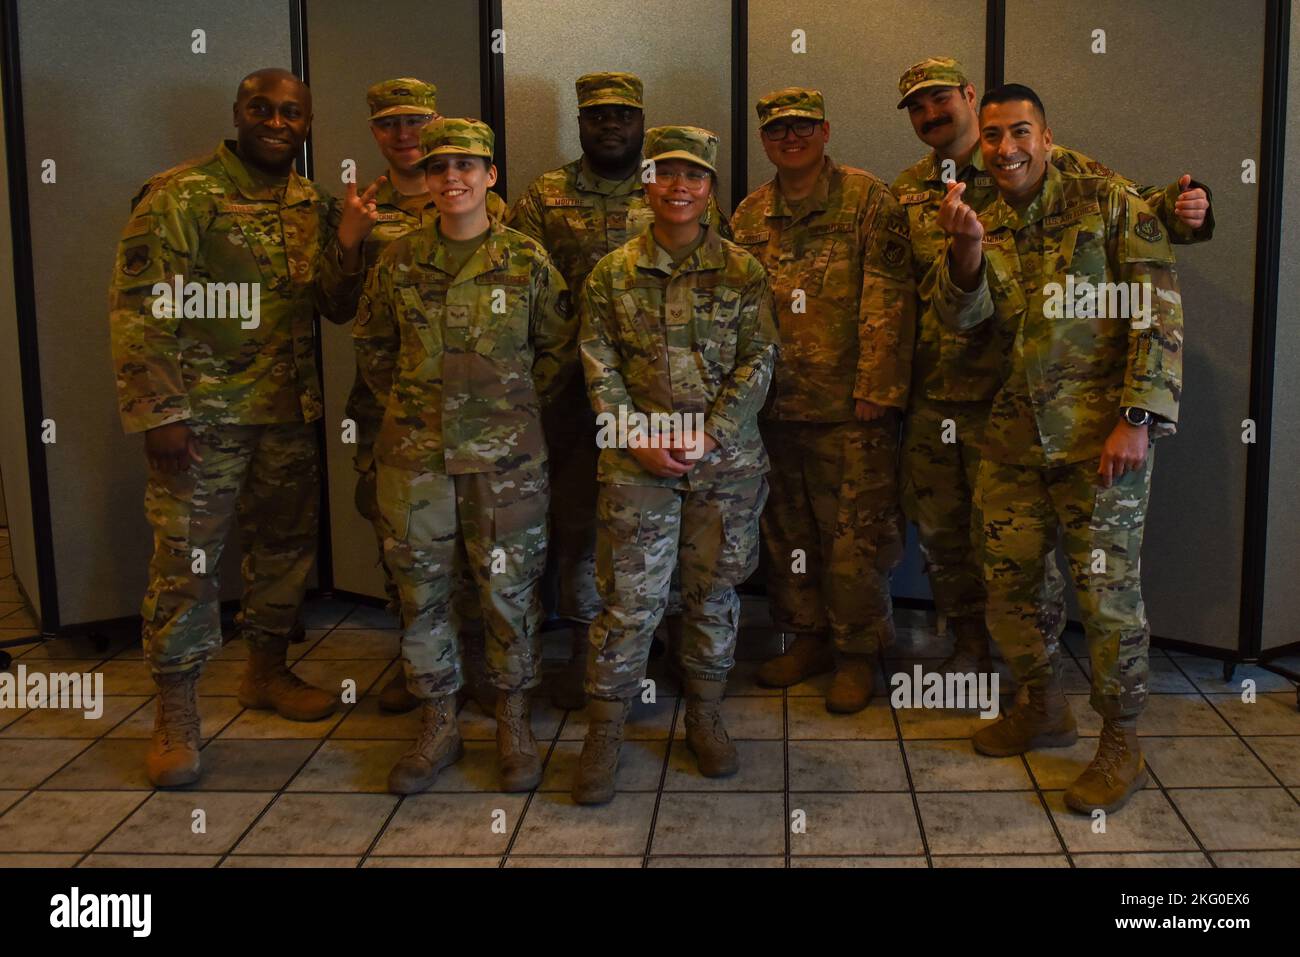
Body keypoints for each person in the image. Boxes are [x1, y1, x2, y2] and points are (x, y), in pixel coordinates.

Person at [891, 57, 1212, 678]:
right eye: (917, 106)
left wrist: (1138, 416)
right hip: (977, 409)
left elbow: (1147, 253)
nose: (931, 113)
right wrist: (964, 247)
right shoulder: (924, 192)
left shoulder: (1078, 183)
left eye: (941, 98)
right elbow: (944, 304)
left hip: (1073, 419)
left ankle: (1104, 719)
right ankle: (1021, 690)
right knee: (985, 561)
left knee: (1097, 588)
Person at [109, 68, 371, 787]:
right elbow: (142, 309)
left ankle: (266, 672)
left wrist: (349, 244)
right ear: (237, 113)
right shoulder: (182, 194)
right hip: (202, 420)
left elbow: (335, 307)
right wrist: (160, 413)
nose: (277, 122)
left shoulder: (313, 204)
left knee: (283, 552)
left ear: (308, 124)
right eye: (262, 108)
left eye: (292, 112)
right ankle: (176, 710)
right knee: (187, 564)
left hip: (287, 415)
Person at [933, 84, 1184, 814]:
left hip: (1098, 439)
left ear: (1045, 136)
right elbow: (961, 319)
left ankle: (1122, 740)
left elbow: (1158, 313)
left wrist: (1136, 418)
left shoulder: (1108, 200)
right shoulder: (975, 208)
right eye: (992, 135)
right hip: (1013, 435)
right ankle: (1041, 704)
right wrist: (965, 249)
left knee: (1107, 598)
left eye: (1020, 132)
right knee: (1010, 583)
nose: (1006, 148)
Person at [351, 118, 576, 794]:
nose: (452, 178)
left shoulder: (526, 259)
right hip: (414, 459)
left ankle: (513, 720)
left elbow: (557, 350)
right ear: (426, 179)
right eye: (439, 167)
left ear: (490, 175)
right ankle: (438, 723)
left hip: (506, 462)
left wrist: (509, 410)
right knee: (422, 593)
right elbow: (374, 348)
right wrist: (419, 408)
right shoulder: (398, 260)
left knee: (510, 593)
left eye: (466, 165)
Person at [508, 72, 732, 711]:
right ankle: (590, 646)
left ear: (642, 121)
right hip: (576, 395)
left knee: (681, 521)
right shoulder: (546, 195)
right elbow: (521, 286)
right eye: (597, 115)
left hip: (670, 395)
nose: (610, 125)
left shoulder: (676, 185)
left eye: (623, 114)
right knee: (582, 521)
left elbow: (719, 280)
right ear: (580, 123)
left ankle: (680, 642)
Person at [574, 125, 777, 804]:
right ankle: (605, 730)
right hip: (637, 464)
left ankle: (705, 714)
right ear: (647, 183)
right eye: (665, 173)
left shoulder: (744, 272)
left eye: (694, 175)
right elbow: (599, 364)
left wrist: (711, 435)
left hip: (724, 464)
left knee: (712, 595)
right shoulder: (612, 273)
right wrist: (634, 436)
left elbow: (759, 360)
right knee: (629, 602)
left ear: (711, 189)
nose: (679, 187)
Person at [732, 88, 915, 713]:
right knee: (789, 534)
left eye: (803, 126)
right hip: (775, 408)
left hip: (850, 409)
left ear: (826, 131)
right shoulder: (749, 215)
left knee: (855, 540)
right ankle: (807, 637)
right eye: (777, 129)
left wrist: (877, 388)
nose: (791, 138)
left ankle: (858, 653)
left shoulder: (866, 199)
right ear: (764, 140)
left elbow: (890, 295)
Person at [339, 77, 502, 717]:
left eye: (415, 121)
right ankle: (423, 669)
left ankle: (480, 666)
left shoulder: (493, 210)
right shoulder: (363, 209)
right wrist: (349, 239)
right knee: (410, 548)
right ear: (375, 132)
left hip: (484, 419)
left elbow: (531, 328)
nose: (403, 134)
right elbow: (343, 314)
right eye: (389, 123)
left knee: (482, 548)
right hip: (397, 414)